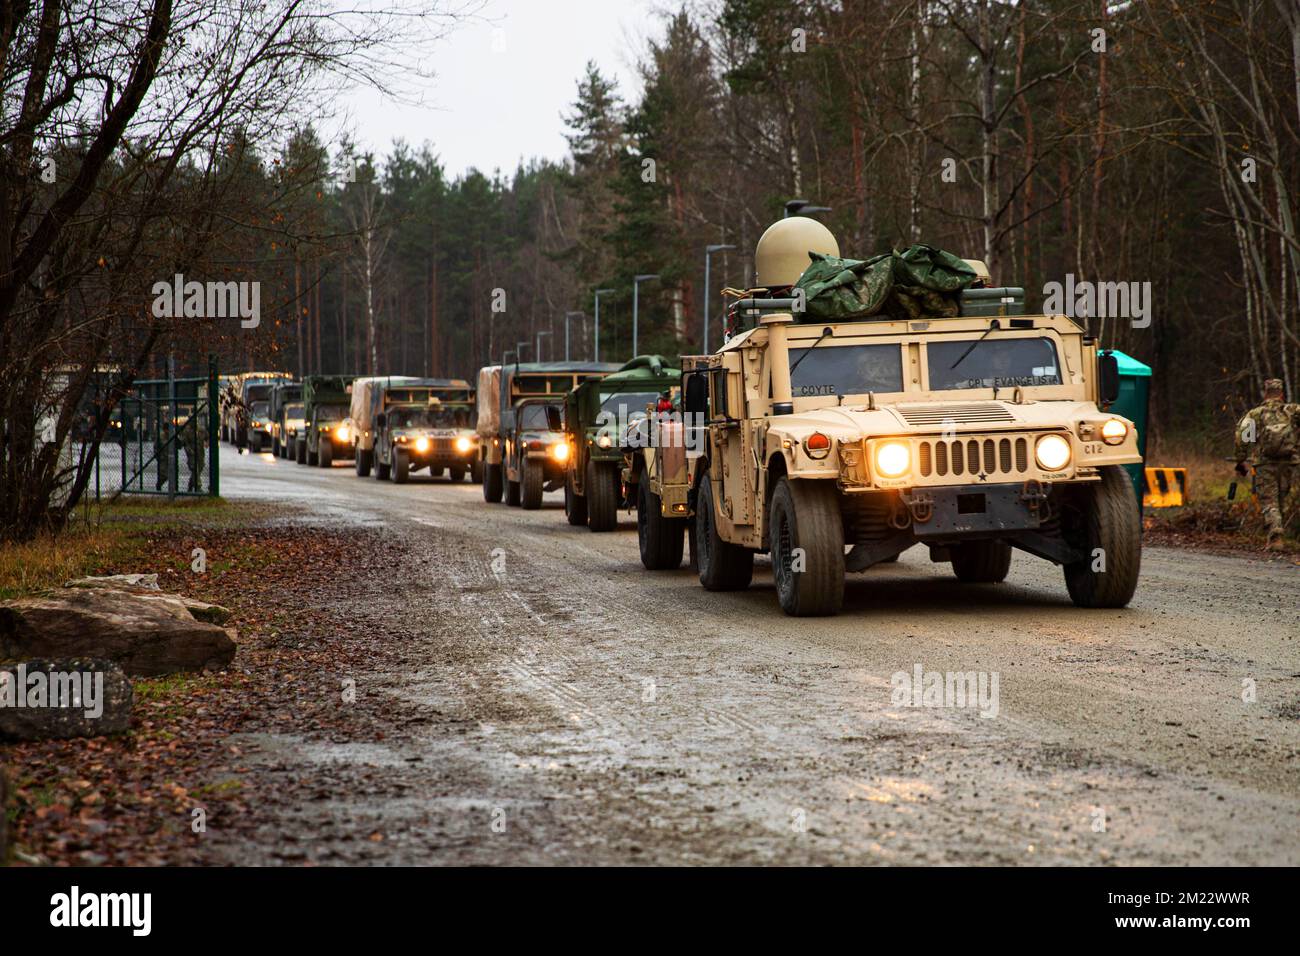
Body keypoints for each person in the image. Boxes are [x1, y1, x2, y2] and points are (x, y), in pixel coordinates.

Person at [1234, 378, 1300, 550]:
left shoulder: (1255, 413)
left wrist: (1241, 459)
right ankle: (1280, 533)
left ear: (1266, 393)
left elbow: (1243, 437)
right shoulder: (1293, 410)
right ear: (1281, 394)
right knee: (1281, 497)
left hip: (1264, 463)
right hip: (1288, 462)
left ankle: (1276, 534)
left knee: (1269, 500)